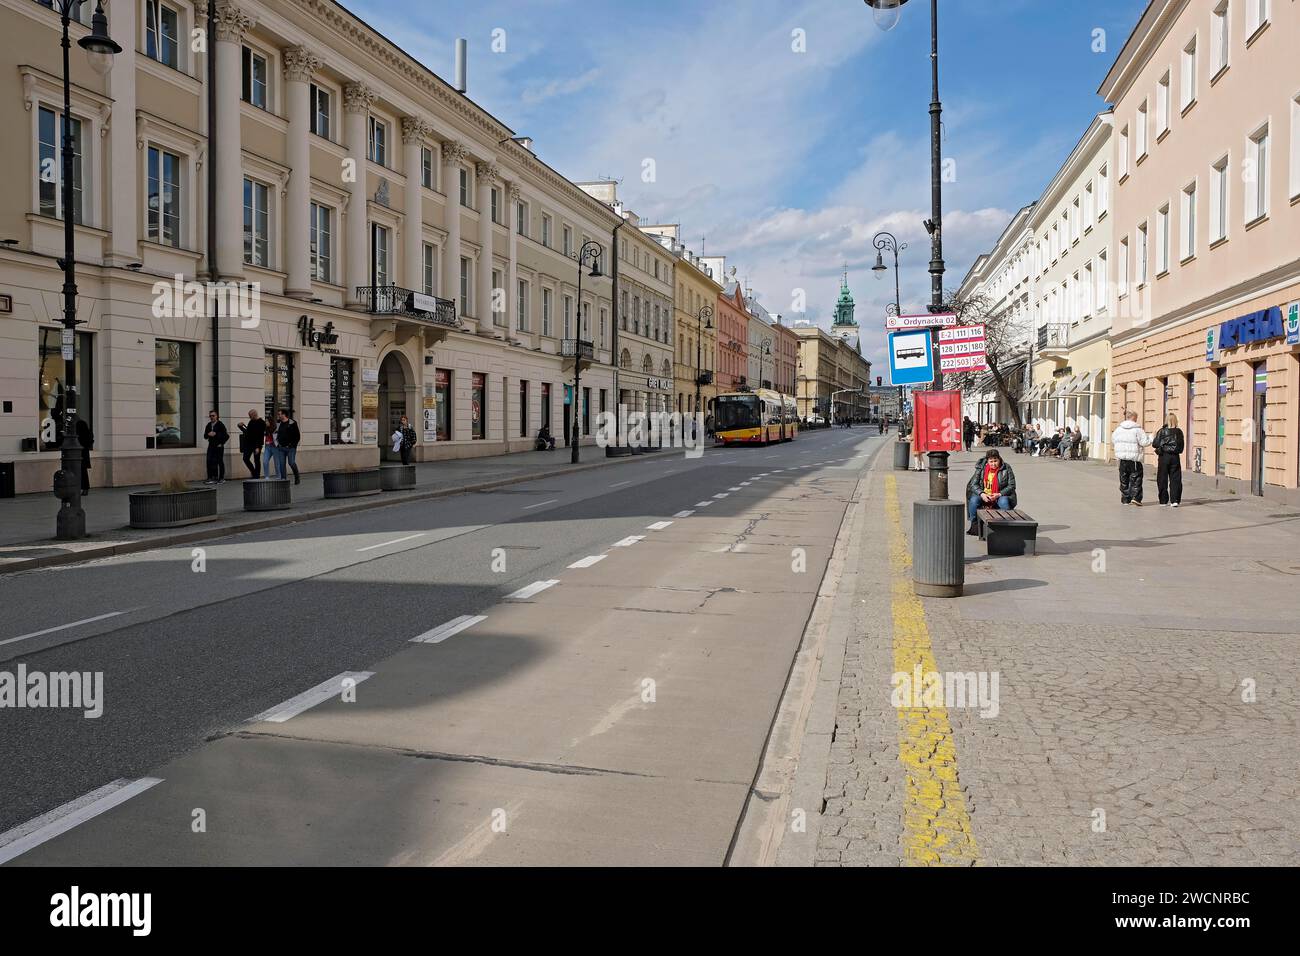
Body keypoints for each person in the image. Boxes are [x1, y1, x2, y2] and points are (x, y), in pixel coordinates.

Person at [966, 447, 1017, 535]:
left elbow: (1012, 485)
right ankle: (974, 525)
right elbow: (973, 484)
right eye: (991, 461)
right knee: (974, 500)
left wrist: (999, 494)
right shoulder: (981, 468)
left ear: (999, 459)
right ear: (987, 461)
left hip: (1000, 494)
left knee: (1004, 502)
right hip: (984, 494)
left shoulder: (1006, 468)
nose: (993, 464)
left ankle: (1006, 526)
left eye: (995, 461)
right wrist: (982, 494)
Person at [1112, 410, 1152, 505]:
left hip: (1122, 459)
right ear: (1133, 417)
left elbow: (1113, 440)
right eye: (1136, 418)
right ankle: (1136, 497)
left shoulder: (1118, 429)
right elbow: (1144, 442)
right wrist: (1151, 437)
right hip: (1134, 459)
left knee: (1124, 478)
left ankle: (1125, 499)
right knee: (1136, 477)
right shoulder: (1138, 430)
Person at [1153, 413, 1185, 507]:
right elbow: (1181, 447)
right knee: (1175, 478)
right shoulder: (1179, 432)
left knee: (1162, 478)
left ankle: (1163, 500)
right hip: (1175, 457)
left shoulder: (1162, 431)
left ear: (1166, 420)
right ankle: (1174, 500)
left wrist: (1155, 437)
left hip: (1164, 456)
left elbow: (1155, 444)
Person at [238, 409, 266, 478]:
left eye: (250, 416)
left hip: (257, 444)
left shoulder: (261, 423)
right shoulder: (251, 422)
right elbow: (247, 433)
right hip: (249, 444)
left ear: (254, 415)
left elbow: (260, 436)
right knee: (245, 458)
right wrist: (240, 426)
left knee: (256, 460)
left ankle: (257, 475)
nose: (249, 417)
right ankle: (253, 472)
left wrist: (257, 447)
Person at [276, 409, 301, 485]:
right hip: (281, 448)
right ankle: (284, 480)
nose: (279, 416)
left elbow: (297, 436)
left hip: (290, 448)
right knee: (281, 464)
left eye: (280, 414)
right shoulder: (278, 423)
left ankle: (297, 477)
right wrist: (277, 443)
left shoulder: (292, 423)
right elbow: (276, 434)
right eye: (278, 414)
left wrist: (292, 445)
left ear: (284, 415)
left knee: (291, 462)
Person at [203, 410, 229, 484]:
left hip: (219, 446)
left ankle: (221, 478)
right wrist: (208, 434)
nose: (211, 417)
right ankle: (211, 477)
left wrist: (220, 441)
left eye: (213, 415)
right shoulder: (208, 425)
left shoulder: (220, 424)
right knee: (209, 460)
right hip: (211, 445)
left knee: (219, 461)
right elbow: (205, 436)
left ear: (217, 416)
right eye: (210, 416)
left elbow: (226, 436)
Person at [74, 417, 93, 495]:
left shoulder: (79, 436)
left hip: (79, 455)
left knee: (80, 472)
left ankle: (82, 488)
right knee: (84, 472)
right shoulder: (88, 434)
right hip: (85, 455)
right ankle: (85, 488)